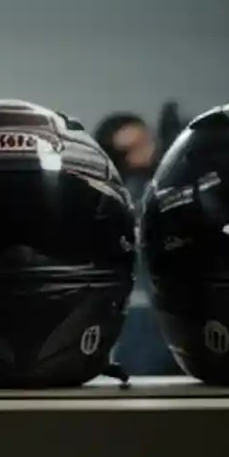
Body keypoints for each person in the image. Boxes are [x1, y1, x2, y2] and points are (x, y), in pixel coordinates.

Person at [95, 109, 181, 376]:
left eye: (145, 142)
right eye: (131, 149)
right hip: (137, 322)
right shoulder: (113, 198)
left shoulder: (169, 190)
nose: (145, 152)